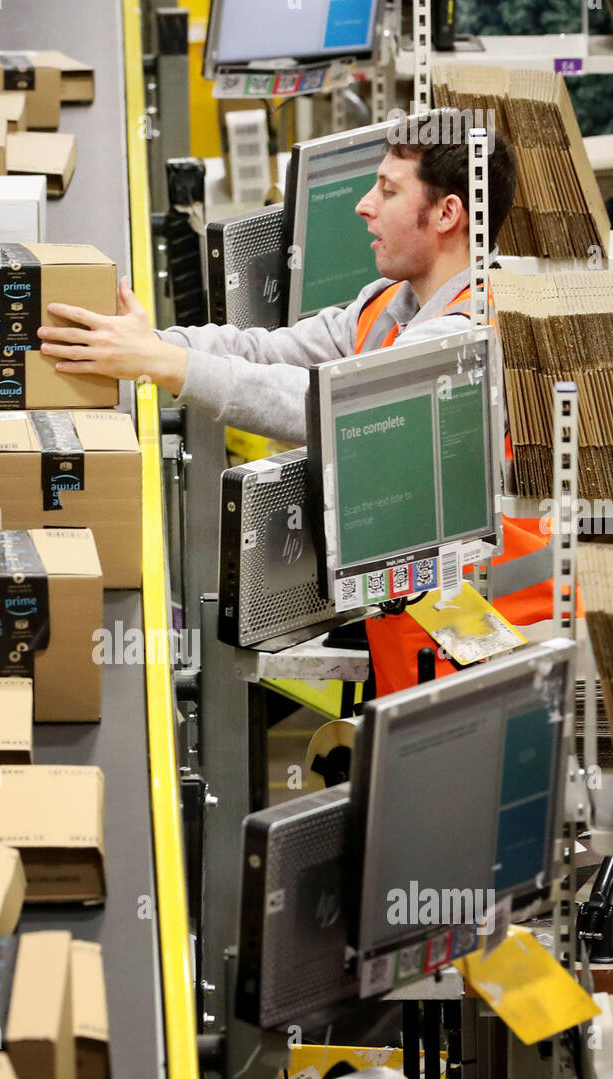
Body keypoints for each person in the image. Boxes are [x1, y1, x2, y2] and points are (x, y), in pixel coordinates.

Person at [39, 116, 558, 693]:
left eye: (388, 190)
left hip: (499, 644)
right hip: (423, 627)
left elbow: (314, 407)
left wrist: (162, 365)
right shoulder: (392, 303)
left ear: (446, 214)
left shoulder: (461, 340)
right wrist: (150, 342)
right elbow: (269, 352)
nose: (365, 206)